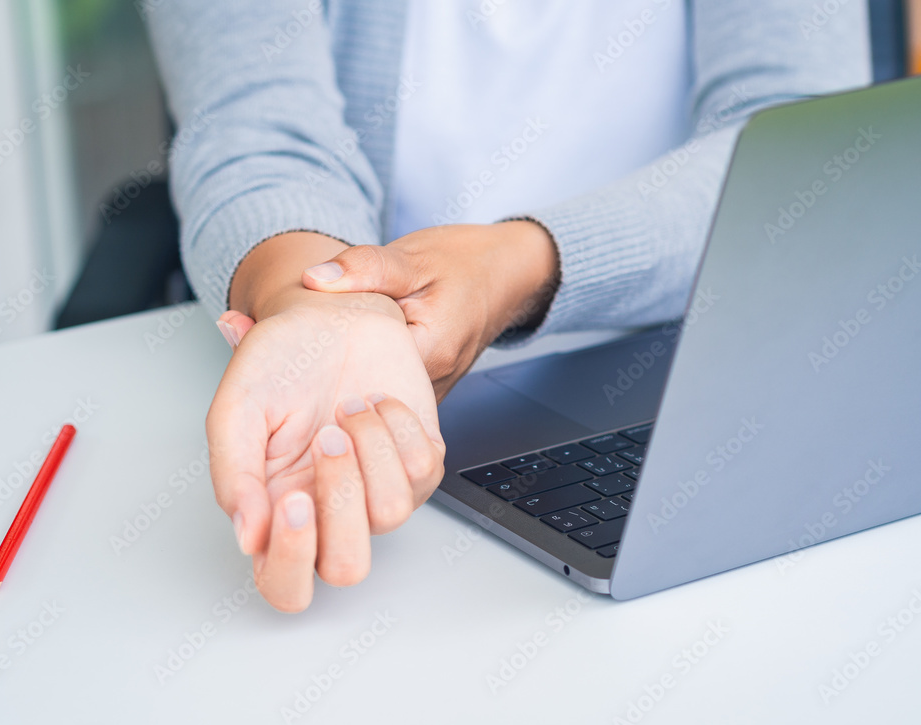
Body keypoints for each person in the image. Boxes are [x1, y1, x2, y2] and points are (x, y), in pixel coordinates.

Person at [145, 0, 870, 612]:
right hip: (406, 381)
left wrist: (517, 269)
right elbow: (257, 131)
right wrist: (315, 305)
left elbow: (801, 140)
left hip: (689, 353)